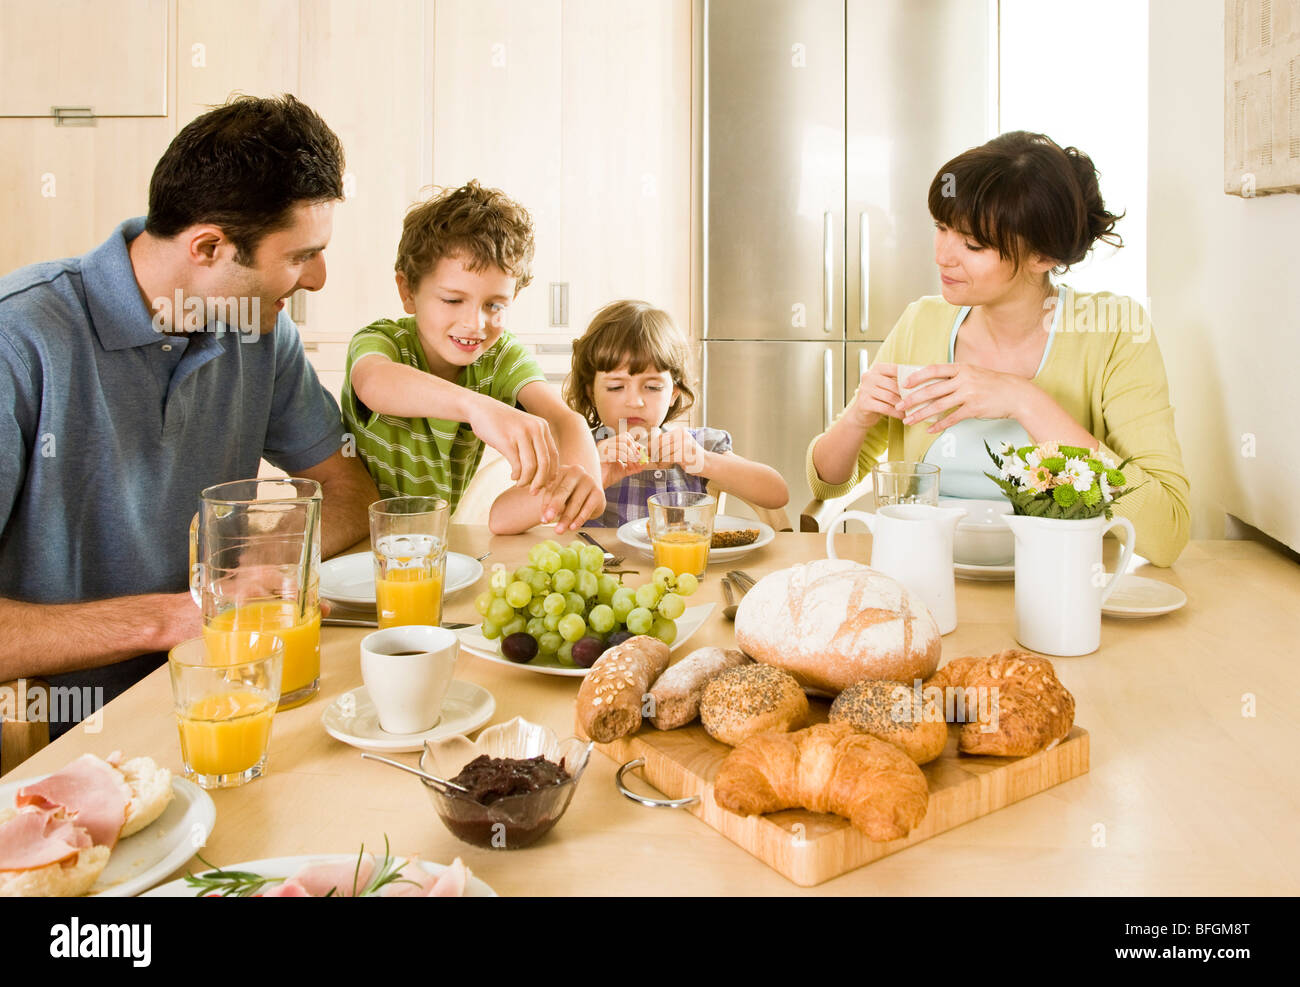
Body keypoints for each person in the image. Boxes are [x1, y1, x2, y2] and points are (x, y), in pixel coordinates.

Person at [0, 94, 379, 739]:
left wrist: (270, 552)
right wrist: (176, 616)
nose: (317, 279)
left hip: (228, 691)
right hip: (63, 733)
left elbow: (347, 488)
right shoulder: (20, 340)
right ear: (209, 246)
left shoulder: (260, 332)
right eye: (299, 255)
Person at [808, 131, 1190, 566]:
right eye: (941, 228)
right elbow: (827, 485)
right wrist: (858, 417)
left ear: (1042, 257)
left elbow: (1166, 533)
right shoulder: (922, 321)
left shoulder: (1112, 331)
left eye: (973, 244)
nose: (943, 256)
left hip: (1058, 593)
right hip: (925, 579)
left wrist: (1024, 401)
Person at [342, 181, 604, 535]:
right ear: (407, 292)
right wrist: (477, 407)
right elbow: (374, 382)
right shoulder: (383, 341)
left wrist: (585, 480)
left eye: (494, 305)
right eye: (452, 300)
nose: (474, 324)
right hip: (361, 543)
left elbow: (564, 421)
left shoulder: (499, 356)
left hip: (436, 546)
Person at [565, 299, 788, 527]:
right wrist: (593, 472)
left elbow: (777, 493)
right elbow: (544, 514)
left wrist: (704, 461)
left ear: (673, 393)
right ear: (591, 392)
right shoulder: (578, 450)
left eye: (652, 387)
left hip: (682, 564)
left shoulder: (697, 445)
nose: (635, 401)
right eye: (615, 387)